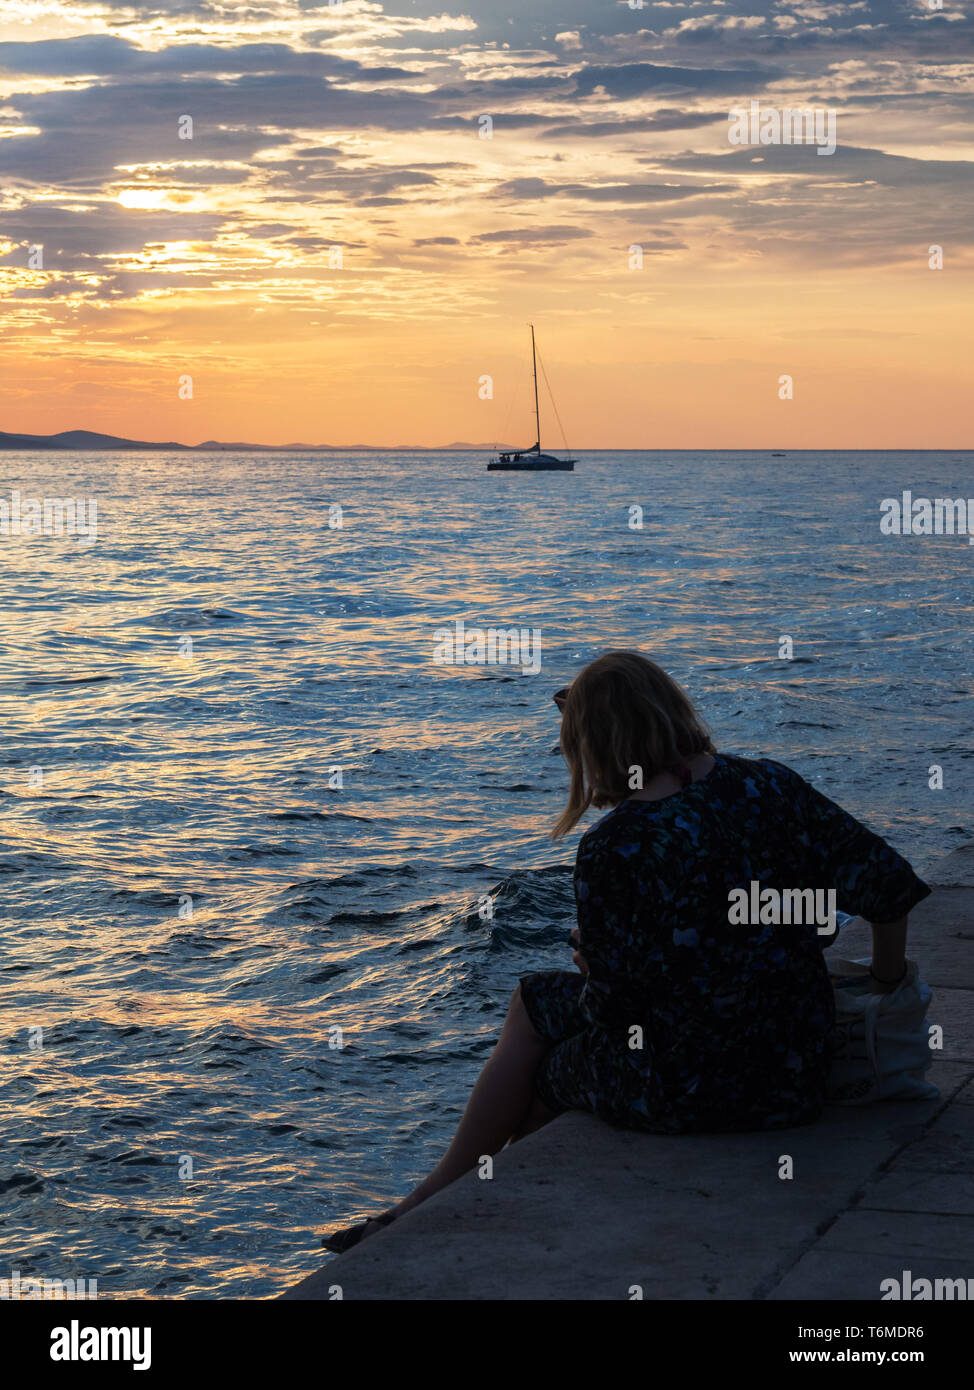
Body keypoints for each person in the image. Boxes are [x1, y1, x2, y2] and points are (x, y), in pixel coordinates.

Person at [322, 649, 930, 1253]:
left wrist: (594, 967)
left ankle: (440, 1212)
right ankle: (451, 1211)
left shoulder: (618, 844)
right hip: (798, 1069)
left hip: (691, 1089)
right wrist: (885, 981)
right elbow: (890, 888)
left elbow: (615, 1014)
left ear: (597, 745)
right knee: (540, 1007)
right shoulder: (769, 784)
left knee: (541, 1045)